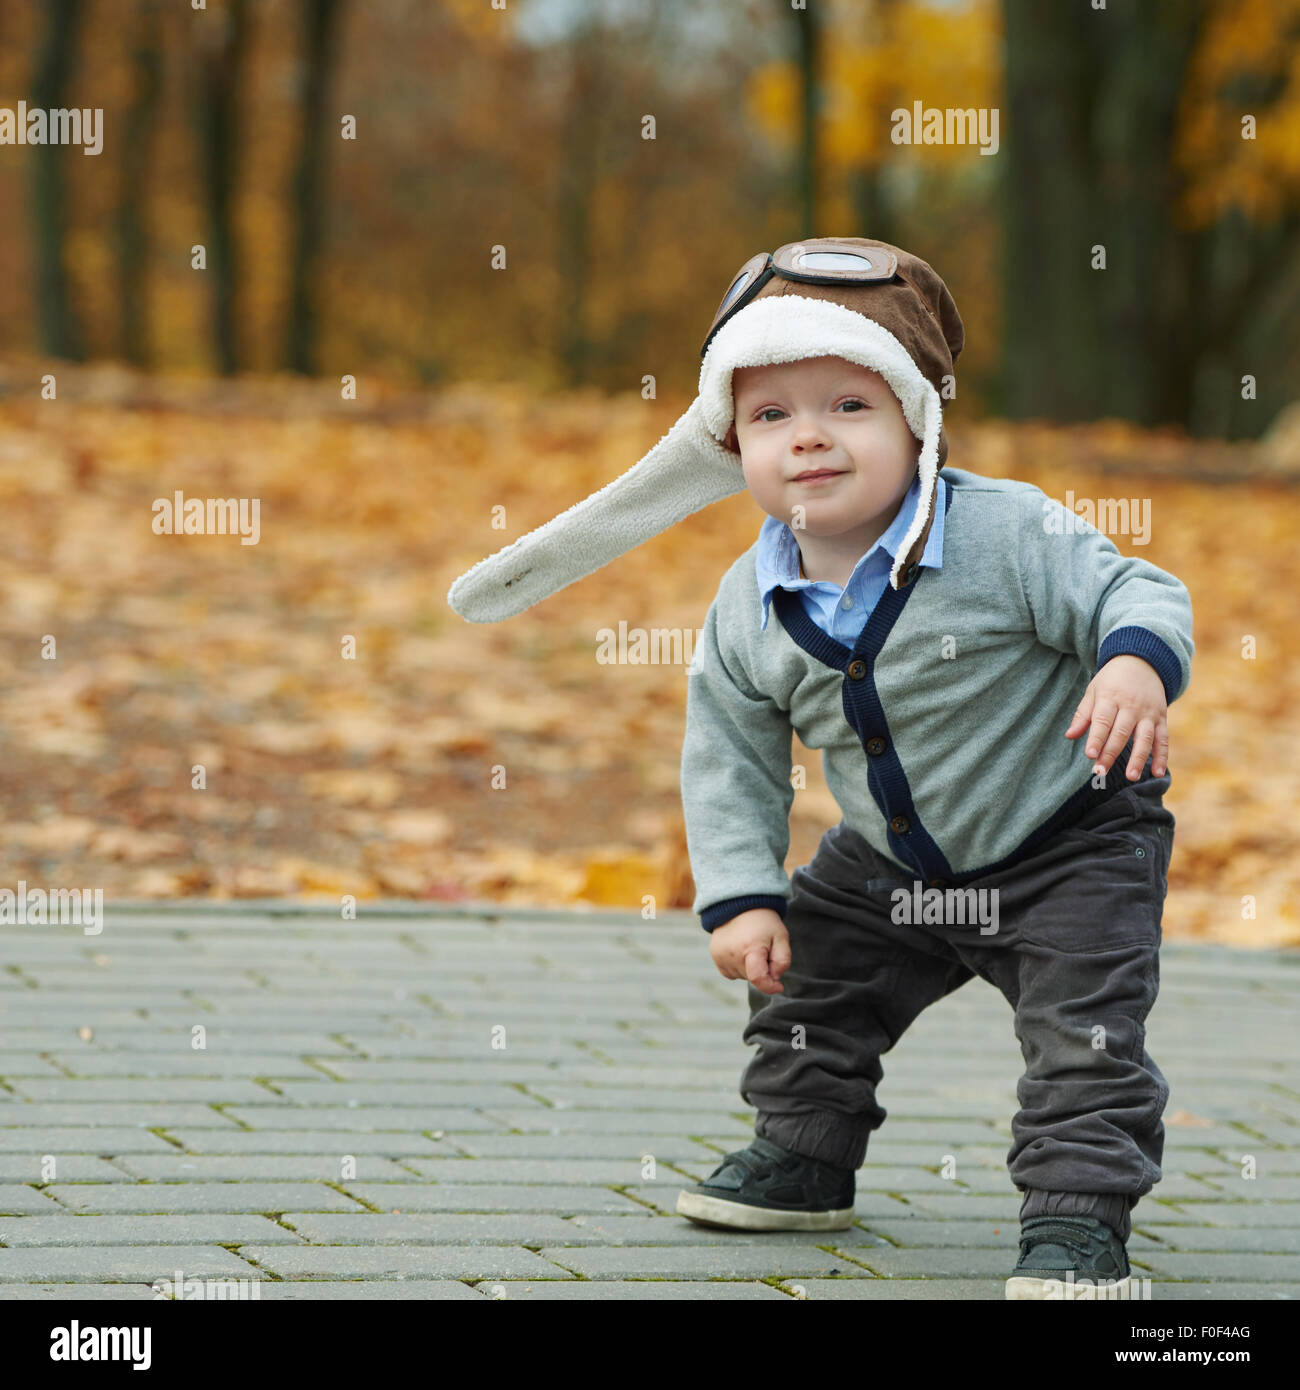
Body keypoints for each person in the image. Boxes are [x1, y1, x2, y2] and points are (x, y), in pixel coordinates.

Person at [446, 237, 1193, 1300]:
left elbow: (1142, 589)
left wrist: (1130, 664)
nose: (809, 438)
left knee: (1085, 1036)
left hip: (1066, 837)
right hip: (888, 861)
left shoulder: (1006, 532)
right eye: (771, 416)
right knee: (812, 985)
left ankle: (1076, 1221)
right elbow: (729, 758)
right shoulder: (746, 609)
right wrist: (741, 898)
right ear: (728, 445)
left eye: (849, 405)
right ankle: (803, 1153)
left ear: (914, 423)